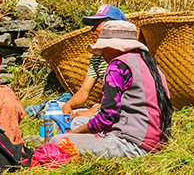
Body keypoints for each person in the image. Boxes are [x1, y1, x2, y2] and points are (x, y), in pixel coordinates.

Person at [50, 20, 172, 158]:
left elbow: (107, 116)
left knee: (58, 141)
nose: (102, 54)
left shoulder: (117, 66)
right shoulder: (150, 65)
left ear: (114, 47)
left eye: (103, 48)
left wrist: (74, 134)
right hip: (155, 141)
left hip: (133, 144)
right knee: (78, 122)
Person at [61, 4, 128, 120]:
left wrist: (95, 109)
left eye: (96, 25)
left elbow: (125, 97)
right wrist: (68, 105)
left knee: (80, 120)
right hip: (106, 106)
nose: (92, 30)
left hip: (122, 110)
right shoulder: (97, 57)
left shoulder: (126, 56)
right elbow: (84, 90)